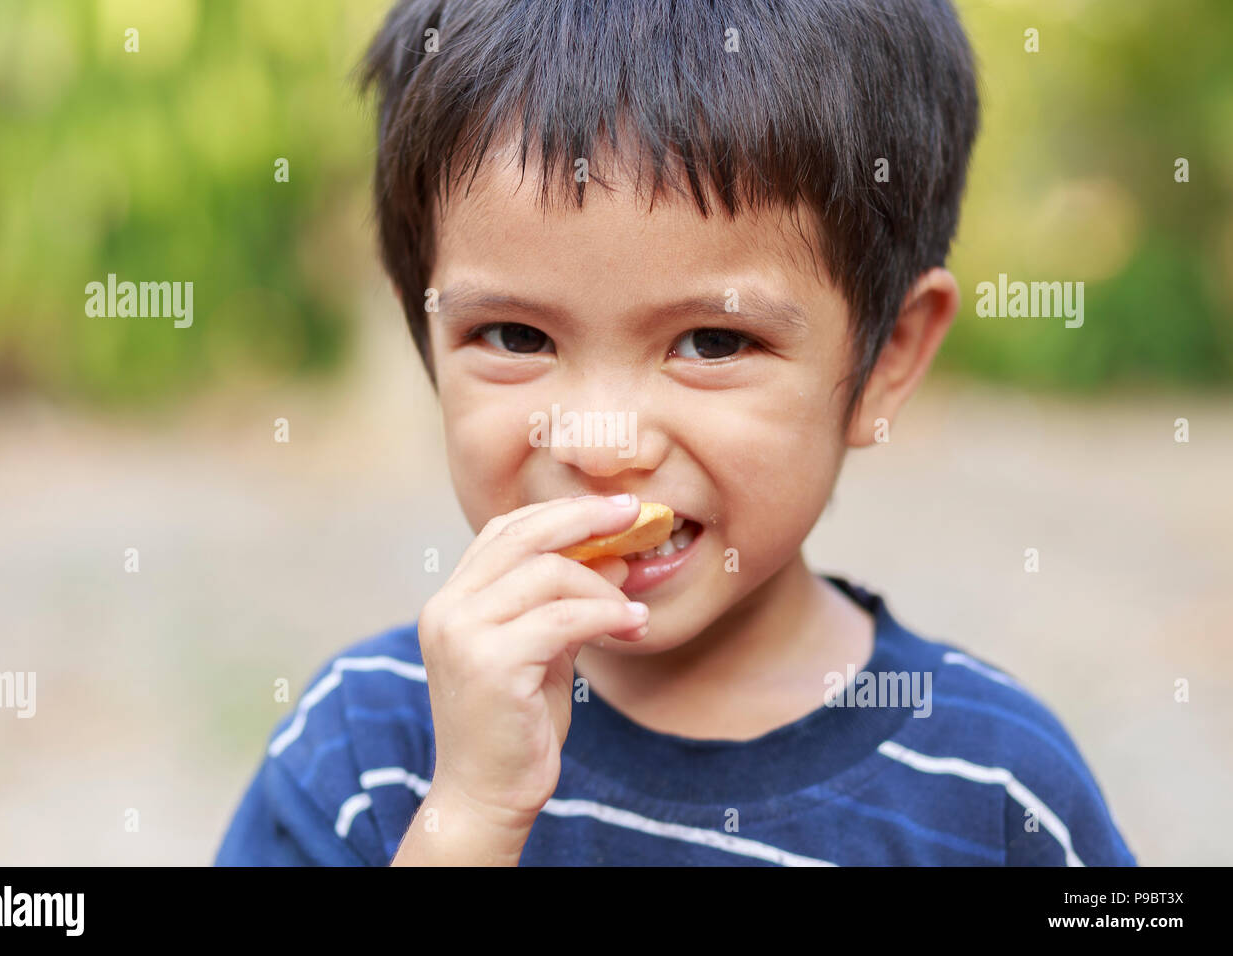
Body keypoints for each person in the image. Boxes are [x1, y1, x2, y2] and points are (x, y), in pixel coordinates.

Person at [216, 0, 1135, 866]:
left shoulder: (997, 795)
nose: (603, 440)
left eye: (714, 341)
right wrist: (466, 823)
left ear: (887, 355)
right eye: (517, 337)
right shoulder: (364, 751)